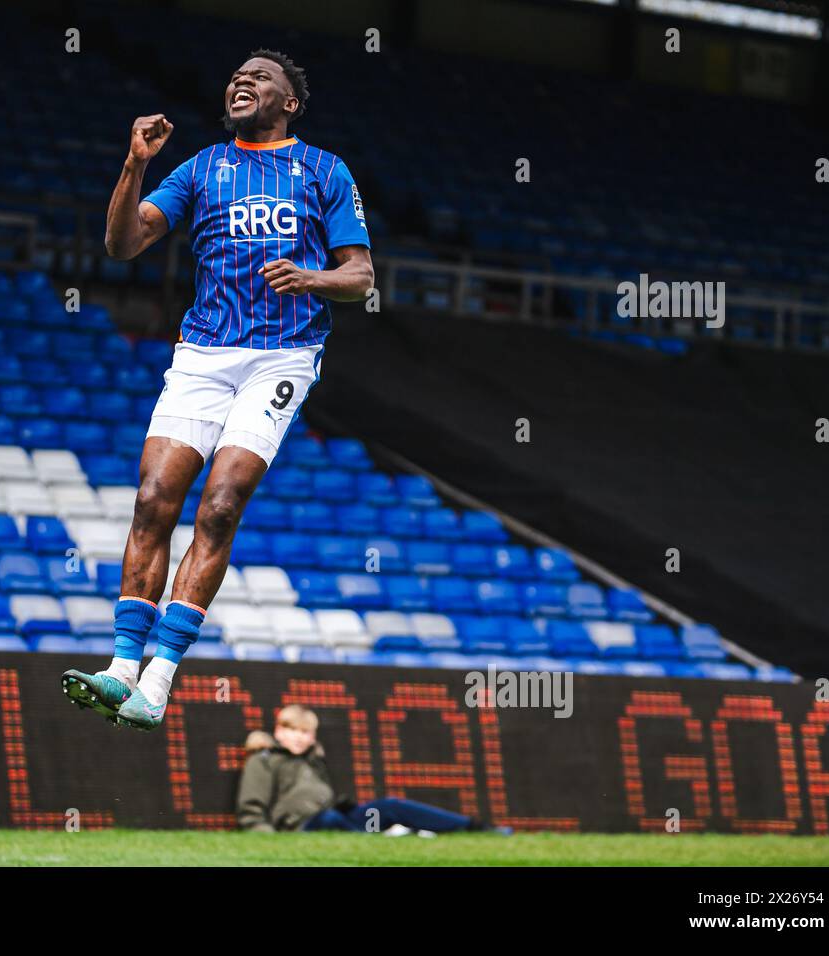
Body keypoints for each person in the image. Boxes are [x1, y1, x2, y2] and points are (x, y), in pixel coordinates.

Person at [62, 49, 374, 730]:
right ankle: (120, 670)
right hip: (203, 354)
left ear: (289, 102)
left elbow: (361, 277)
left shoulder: (325, 170)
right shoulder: (201, 167)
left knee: (222, 503)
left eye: (261, 77)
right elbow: (123, 245)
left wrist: (312, 277)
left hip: (282, 356)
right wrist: (134, 164)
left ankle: (159, 680)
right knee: (152, 500)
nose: (243, 80)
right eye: (236, 74)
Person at [236, 705, 512, 835]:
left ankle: (470, 827)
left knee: (389, 806)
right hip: (304, 826)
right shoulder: (264, 760)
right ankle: (394, 837)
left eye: (305, 732)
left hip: (339, 818)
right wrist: (268, 837)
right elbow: (252, 809)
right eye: (292, 730)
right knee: (331, 819)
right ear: (278, 731)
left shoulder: (313, 761)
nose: (299, 737)